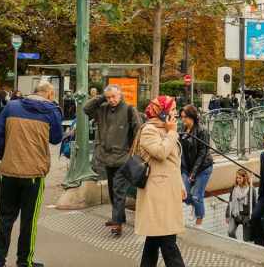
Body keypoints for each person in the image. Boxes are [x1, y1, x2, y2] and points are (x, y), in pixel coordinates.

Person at [0, 81, 62, 267]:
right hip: (33, 174)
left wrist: (6, 158)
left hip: (9, 172)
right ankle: (24, 262)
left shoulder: (11, 106)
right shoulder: (51, 111)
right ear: (49, 94)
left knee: (5, 219)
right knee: (28, 222)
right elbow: (56, 138)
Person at [135, 96, 186, 267]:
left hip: (167, 190)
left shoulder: (164, 128)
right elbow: (161, 152)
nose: (175, 113)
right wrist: (172, 132)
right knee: (168, 241)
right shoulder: (149, 130)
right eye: (172, 110)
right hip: (157, 193)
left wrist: (181, 185)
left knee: (154, 239)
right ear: (162, 113)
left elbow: (173, 163)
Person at [84, 84, 141, 237]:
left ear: (120, 95)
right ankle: (118, 217)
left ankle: (117, 223)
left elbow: (138, 130)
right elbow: (86, 109)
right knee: (112, 189)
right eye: (108, 97)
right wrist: (102, 96)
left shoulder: (129, 109)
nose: (111, 100)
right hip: (107, 157)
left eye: (113, 96)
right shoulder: (102, 109)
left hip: (123, 157)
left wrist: (133, 152)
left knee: (118, 190)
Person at [179, 104, 213, 226]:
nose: (183, 120)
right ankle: (196, 206)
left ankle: (199, 222)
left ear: (192, 117)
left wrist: (193, 173)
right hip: (187, 168)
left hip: (203, 168)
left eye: (185, 117)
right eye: (181, 117)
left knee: (196, 197)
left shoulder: (202, 131)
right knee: (184, 195)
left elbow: (202, 153)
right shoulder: (183, 130)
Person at [225, 168, 256, 240]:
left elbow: (254, 204)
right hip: (235, 214)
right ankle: (235, 246)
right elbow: (230, 202)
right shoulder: (234, 188)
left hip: (246, 216)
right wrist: (227, 215)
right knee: (230, 232)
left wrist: (251, 218)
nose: (238, 180)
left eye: (240, 178)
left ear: (244, 178)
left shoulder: (251, 189)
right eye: (237, 178)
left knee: (246, 239)